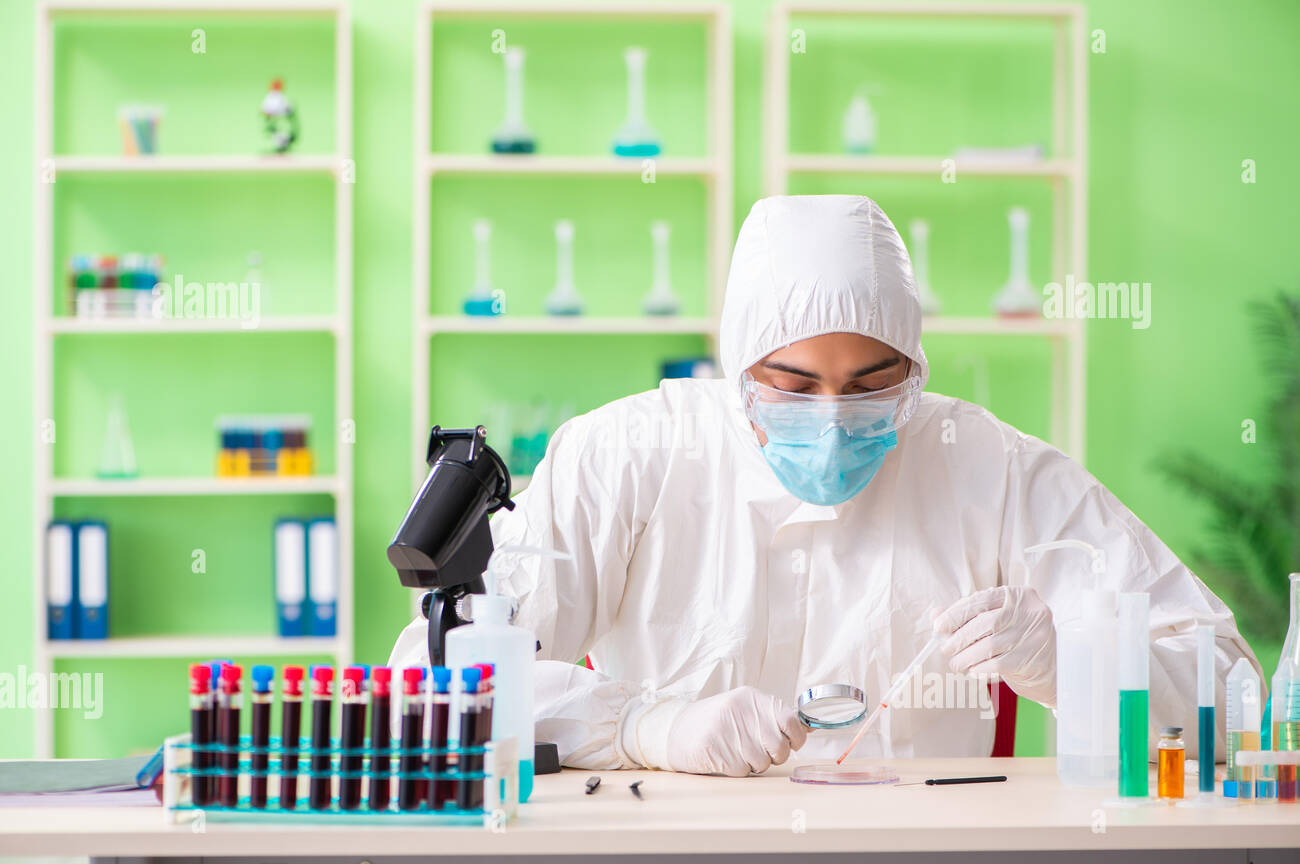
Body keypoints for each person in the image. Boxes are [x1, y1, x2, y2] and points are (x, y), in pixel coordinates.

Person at [388, 194, 1263, 776]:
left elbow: (1236, 700)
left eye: (873, 382)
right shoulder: (630, 454)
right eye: (795, 385)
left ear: (917, 371)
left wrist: (1076, 659)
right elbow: (430, 681)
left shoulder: (985, 465)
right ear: (735, 370)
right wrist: (643, 727)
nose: (837, 416)